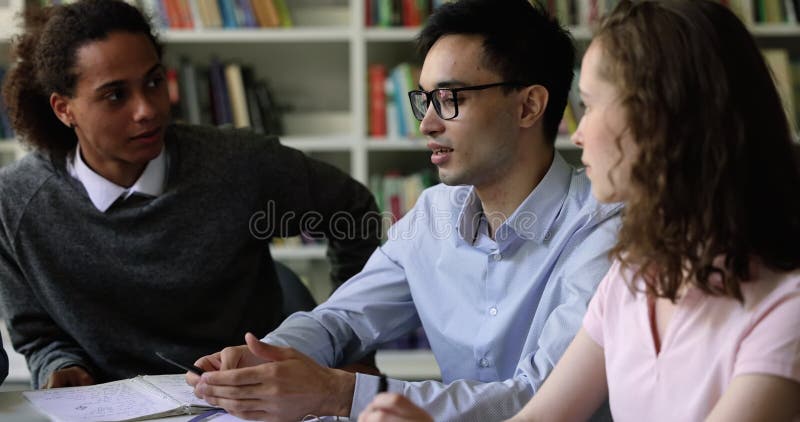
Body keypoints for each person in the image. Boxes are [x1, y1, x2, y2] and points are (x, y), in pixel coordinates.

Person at [358, 0, 800, 421]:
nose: (577, 132)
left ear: (664, 121)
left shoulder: (785, 310)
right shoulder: (631, 277)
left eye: (589, 106)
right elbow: (536, 418)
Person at [187, 0, 622, 420]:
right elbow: (342, 320)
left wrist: (339, 393)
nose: (426, 123)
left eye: (449, 98)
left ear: (528, 106)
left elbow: (539, 398)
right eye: (425, 100)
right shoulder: (434, 214)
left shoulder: (605, 227)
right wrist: (265, 357)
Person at [0, 0, 381, 389]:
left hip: (250, 397)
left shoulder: (238, 163)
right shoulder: (15, 202)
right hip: (109, 405)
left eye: (154, 82)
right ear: (64, 109)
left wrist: (352, 347)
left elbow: (354, 211)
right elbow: (37, 333)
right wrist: (60, 366)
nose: (147, 110)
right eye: (115, 95)